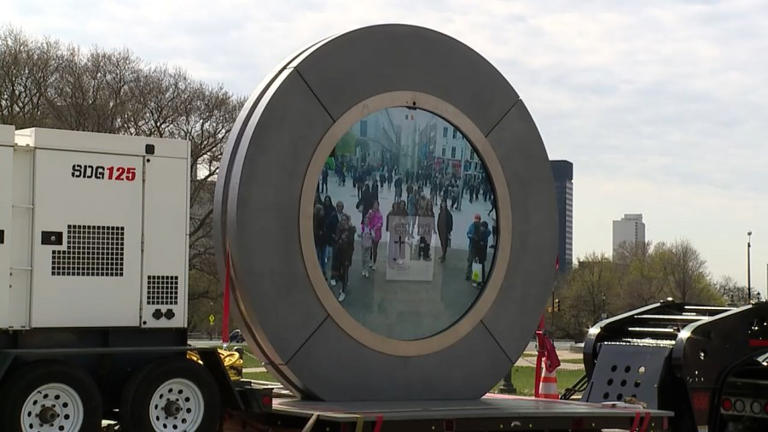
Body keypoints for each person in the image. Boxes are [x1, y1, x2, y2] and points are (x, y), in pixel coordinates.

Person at [334, 214, 356, 302]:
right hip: (339, 252)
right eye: (342, 220)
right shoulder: (339, 228)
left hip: (347, 254)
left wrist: (345, 237)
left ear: (347, 221)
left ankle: (343, 291)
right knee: (339, 272)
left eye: (344, 220)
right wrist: (339, 238)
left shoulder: (351, 230)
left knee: (345, 271)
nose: (343, 221)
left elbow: (351, 242)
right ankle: (345, 282)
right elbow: (336, 239)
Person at [322, 196, 339, 281]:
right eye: (326, 201)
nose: (327, 202)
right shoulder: (323, 209)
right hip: (326, 232)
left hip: (332, 234)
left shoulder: (333, 210)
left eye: (328, 200)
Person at [365, 200, 383, 269]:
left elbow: (381, 223)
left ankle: (374, 263)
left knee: (375, 249)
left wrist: (375, 228)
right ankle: (370, 261)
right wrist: (369, 215)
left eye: (377, 205)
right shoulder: (370, 212)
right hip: (370, 233)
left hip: (376, 234)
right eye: (374, 204)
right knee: (370, 248)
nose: (376, 206)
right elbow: (366, 220)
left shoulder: (380, 214)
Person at [472, 221, 491, 288]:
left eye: (482, 227)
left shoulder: (483, 235)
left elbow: (480, 246)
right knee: (480, 268)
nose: (481, 228)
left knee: (478, 269)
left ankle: (479, 282)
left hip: (480, 255)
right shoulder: (485, 234)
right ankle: (480, 281)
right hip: (482, 255)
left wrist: (476, 255)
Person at [465, 214, 482, 281]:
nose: (476, 221)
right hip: (473, 246)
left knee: (475, 262)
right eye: (476, 219)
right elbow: (468, 234)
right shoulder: (472, 226)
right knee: (471, 261)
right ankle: (469, 275)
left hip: (477, 247)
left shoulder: (480, 226)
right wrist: (472, 236)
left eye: (477, 219)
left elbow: (487, 232)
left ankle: (474, 276)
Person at [313, 204, 325, 269]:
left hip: (319, 240)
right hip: (319, 240)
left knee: (319, 255)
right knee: (320, 255)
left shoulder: (317, 218)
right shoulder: (320, 219)